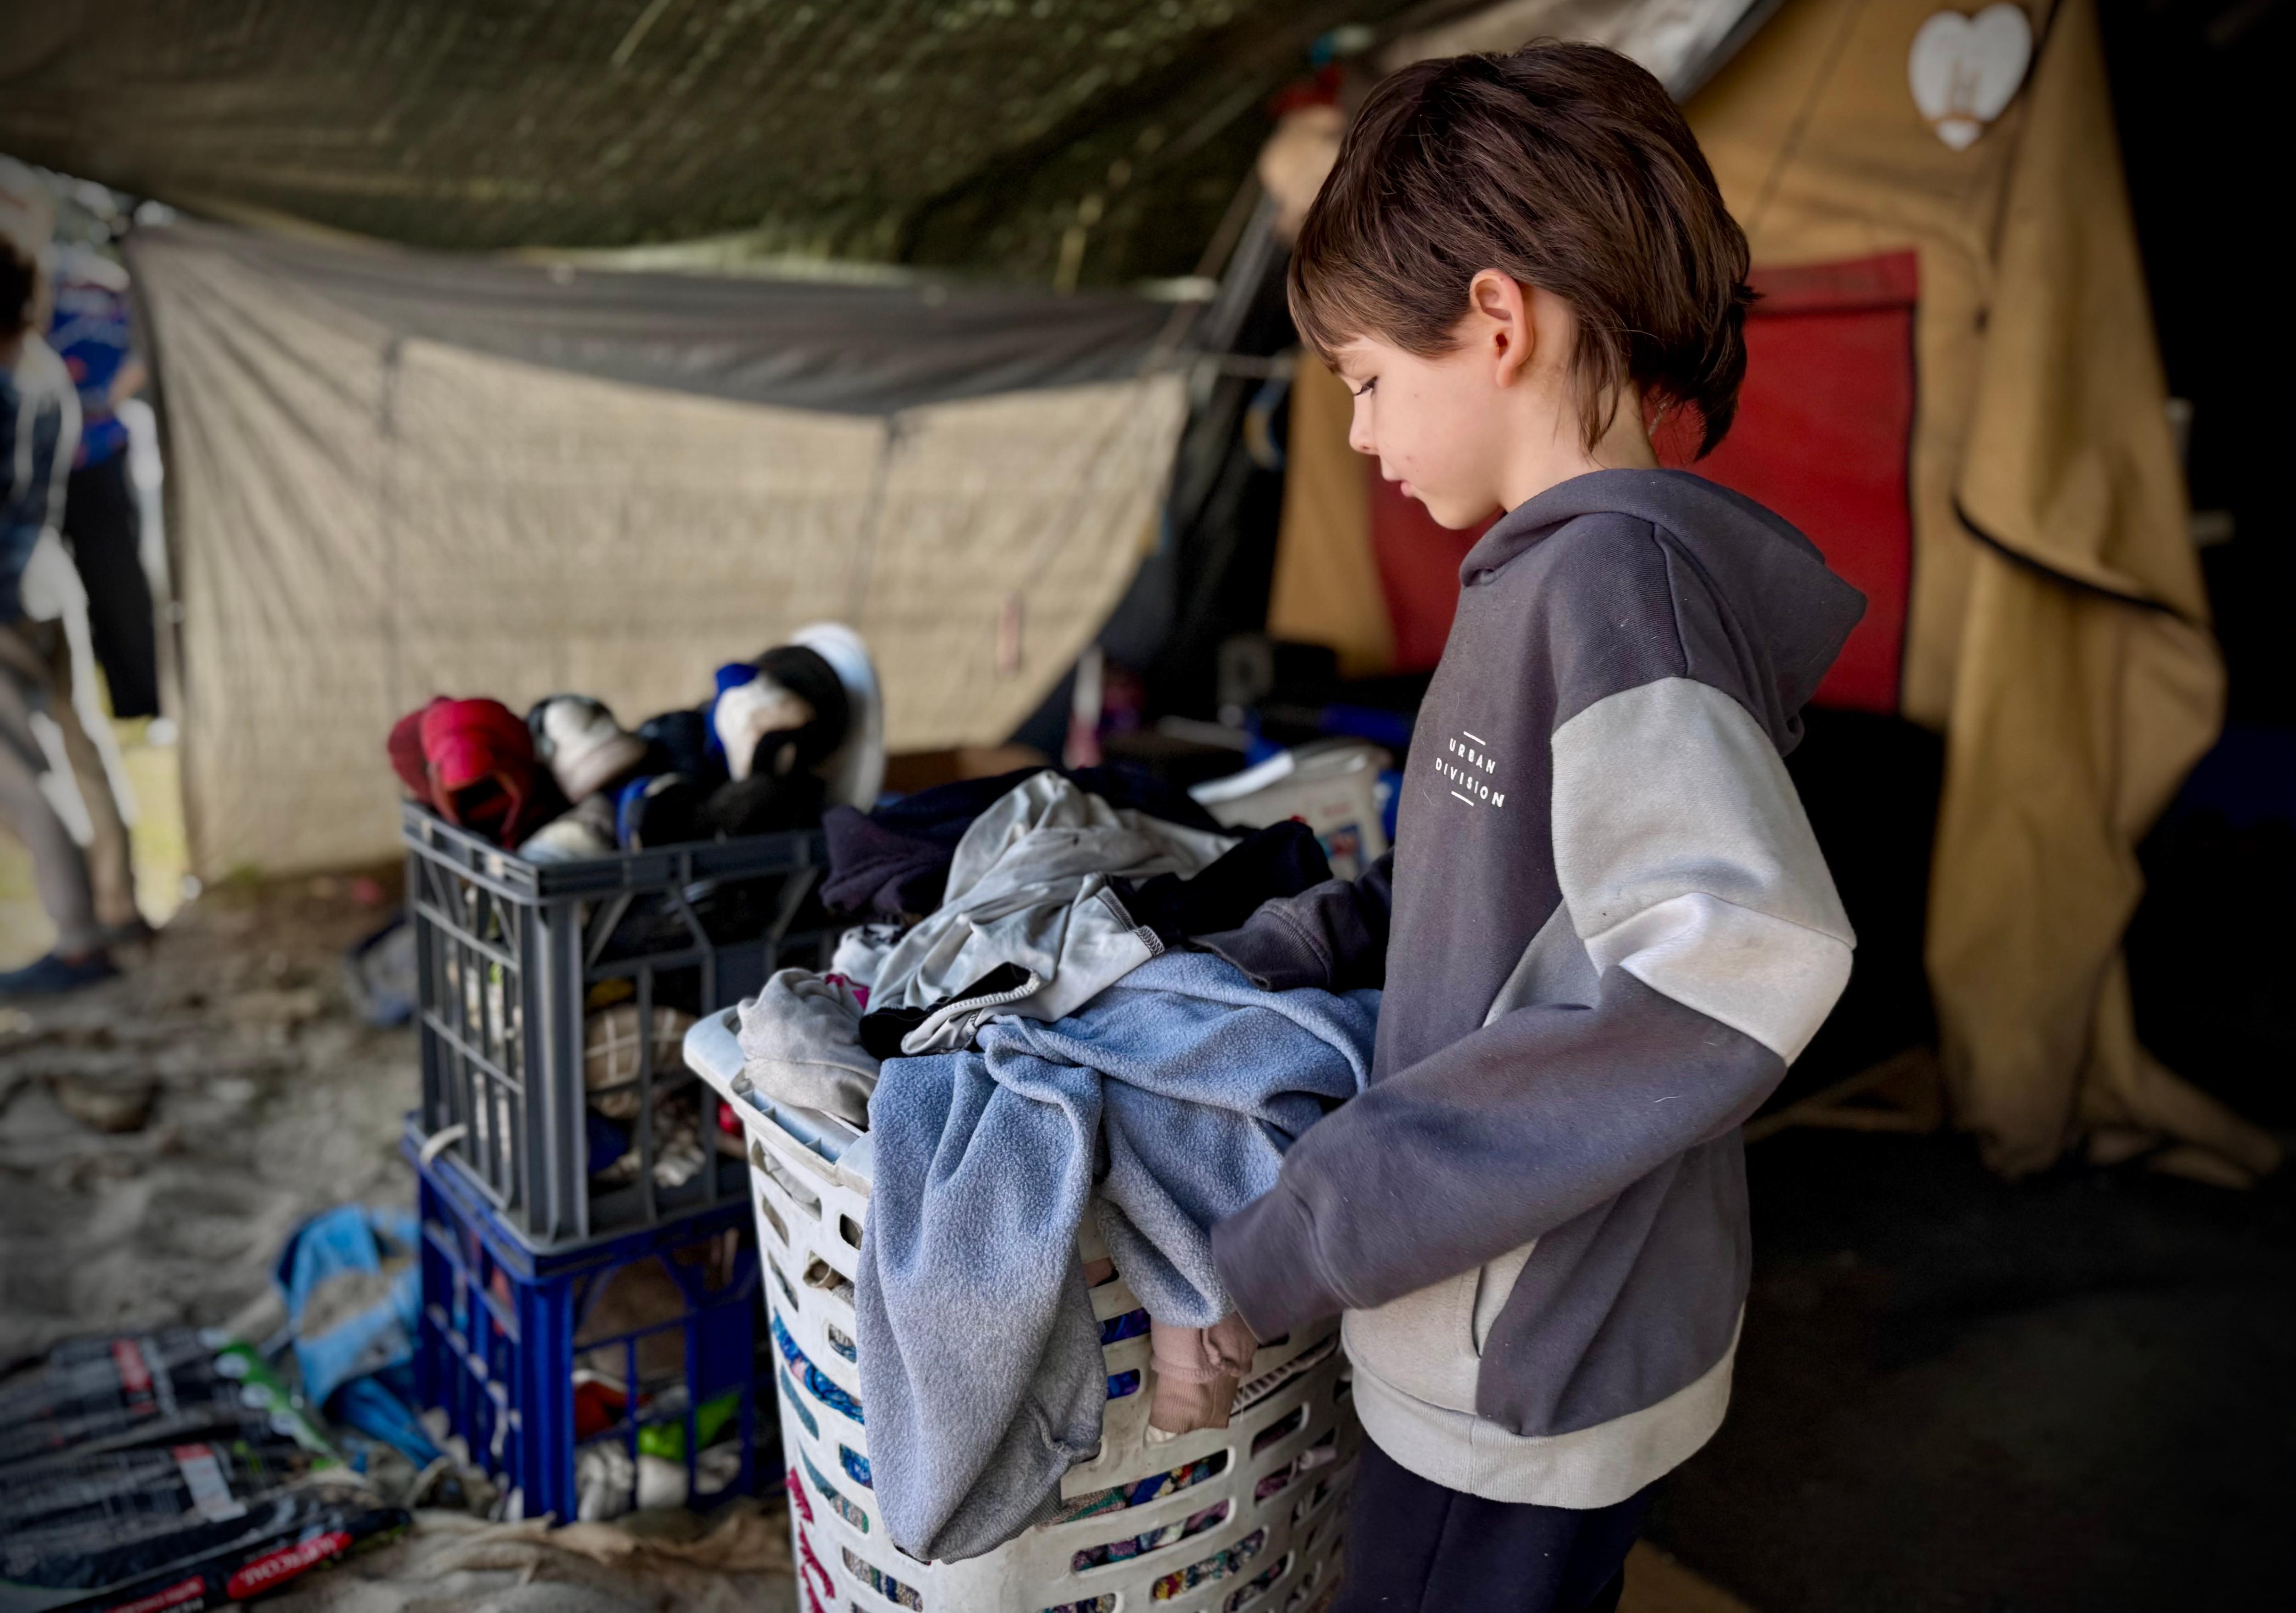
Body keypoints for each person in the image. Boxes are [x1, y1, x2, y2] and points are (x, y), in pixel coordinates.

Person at [1195, 45, 1863, 1611]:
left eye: (1366, 380)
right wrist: (1284, 944)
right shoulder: (1555, 582)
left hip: (1516, 1355)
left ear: (1497, 322)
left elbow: (1738, 951)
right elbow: (1507, 909)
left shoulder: (1604, 590)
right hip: (1537, 1321)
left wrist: (1313, 1222)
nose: (1358, 433)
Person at [0, 181, 120, 994]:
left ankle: (79, 937)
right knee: (87, 747)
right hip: (49, 570)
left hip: (6, 586)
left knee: (20, 768)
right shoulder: (44, 367)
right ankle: (122, 907)